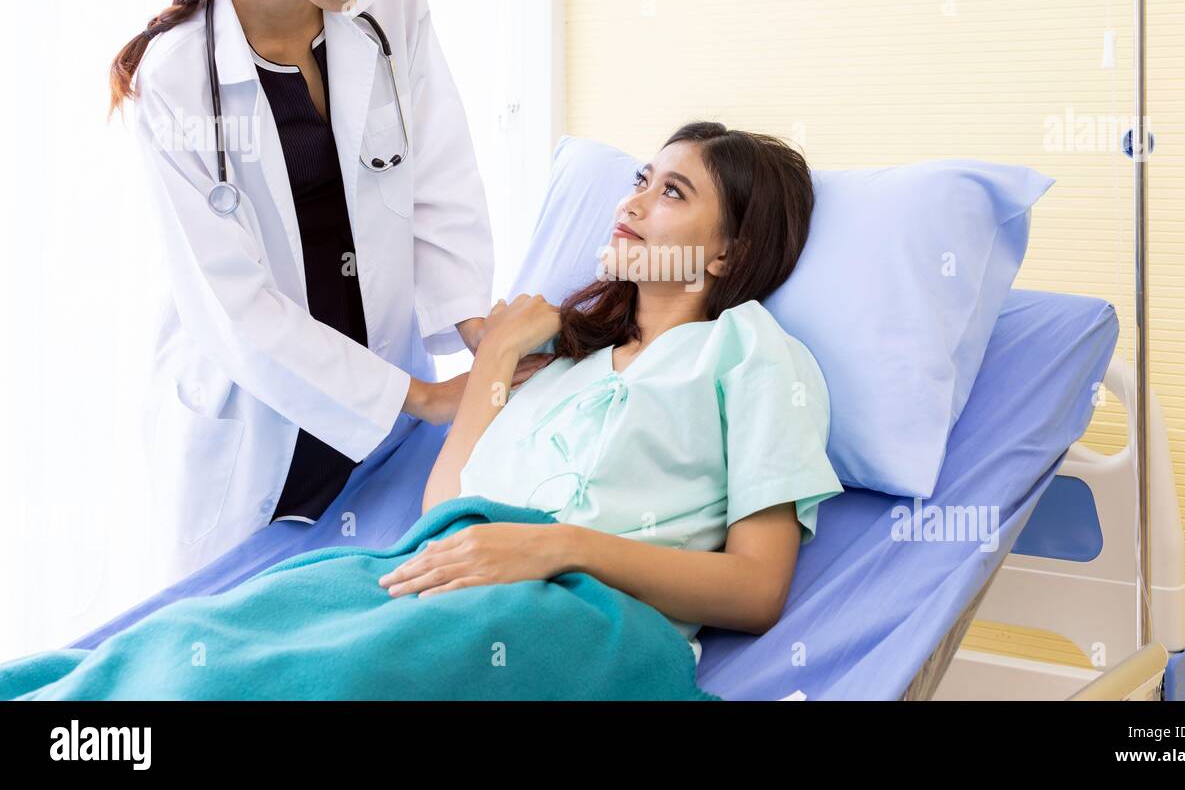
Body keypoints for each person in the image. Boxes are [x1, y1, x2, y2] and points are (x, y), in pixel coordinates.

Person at [2, 122, 843, 699]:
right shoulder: (564, 366)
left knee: (314, 683)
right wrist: (504, 356)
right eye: (637, 182)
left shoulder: (752, 354)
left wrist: (552, 546)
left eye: (670, 193)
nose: (629, 204)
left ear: (729, 246)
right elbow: (447, 513)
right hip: (434, 575)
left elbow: (756, 587)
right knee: (196, 640)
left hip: (580, 618)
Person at [104, 0, 548, 583]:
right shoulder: (178, 78)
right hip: (257, 422)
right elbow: (234, 309)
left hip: (380, 399)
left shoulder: (390, 4)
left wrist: (480, 332)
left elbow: (438, 173)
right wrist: (424, 397)